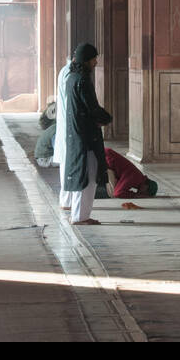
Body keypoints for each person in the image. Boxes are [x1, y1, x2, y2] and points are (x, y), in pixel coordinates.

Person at [59, 42, 112, 225]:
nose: (96, 62)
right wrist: (106, 118)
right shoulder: (82, 80)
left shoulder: (71, 77)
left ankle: (77, 214)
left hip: (76, 134)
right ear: (87, 60)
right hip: (86, 136)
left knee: (81, 174)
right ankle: (81, 217)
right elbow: (92, 108)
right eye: (94, 58)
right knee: (88, 176)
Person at [35, 100, 57, 167]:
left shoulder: (52, 128)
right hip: (46, 159)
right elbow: (57, 148)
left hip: (43, 157)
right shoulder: (55, 129)